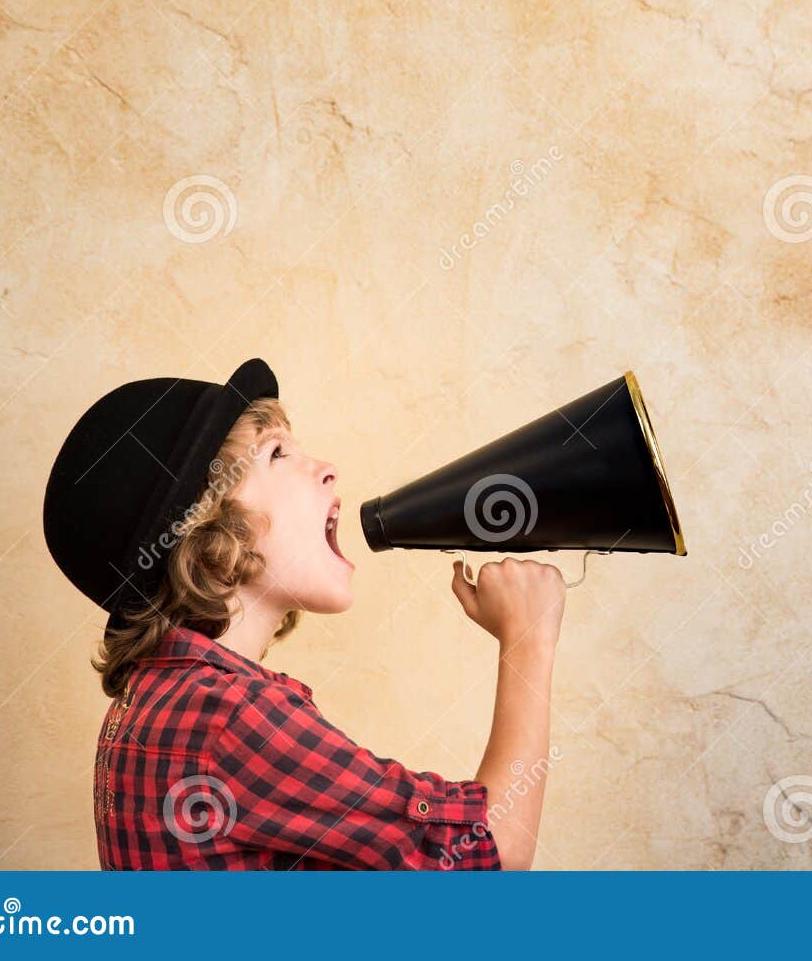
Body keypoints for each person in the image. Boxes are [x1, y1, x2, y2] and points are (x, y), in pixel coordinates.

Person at [41, 357, 565, 870]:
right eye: (276, 453)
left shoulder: (154, 701)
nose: (327, 468)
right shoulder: (232, 719)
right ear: (204, 532)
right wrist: (528, 637)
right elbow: (492, 848)